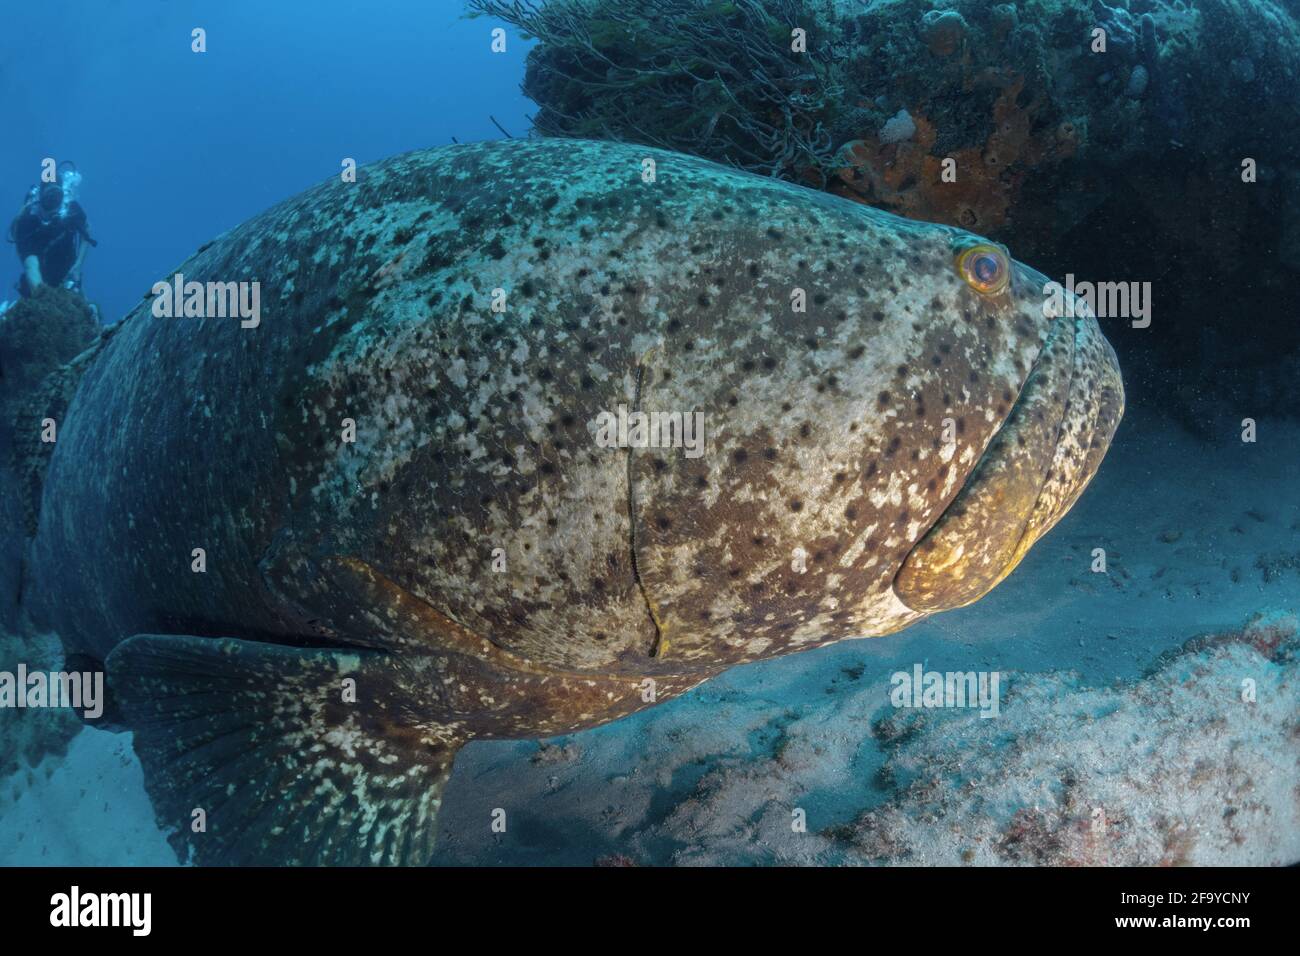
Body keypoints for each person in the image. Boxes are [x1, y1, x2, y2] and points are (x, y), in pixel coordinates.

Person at [8, 167, 96, 299]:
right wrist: (44, 299)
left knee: (84, 309)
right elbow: (30, 265)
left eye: (57, 198)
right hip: (38, 278)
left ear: (63, 196)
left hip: (67, 272)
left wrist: (78, 266)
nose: (54, 205)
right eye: (49, 199)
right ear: (40, 198)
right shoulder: (27, 222)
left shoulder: (71, 209)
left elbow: (87, 231)